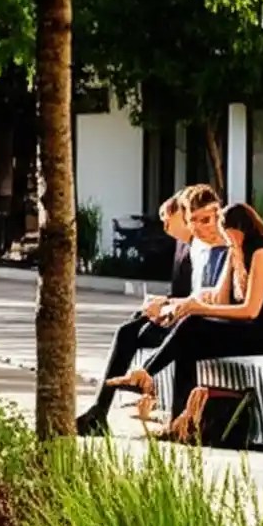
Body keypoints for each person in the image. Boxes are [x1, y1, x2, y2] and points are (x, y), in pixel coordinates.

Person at [104, 202, 263, 420]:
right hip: (246, 327)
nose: (230, 241)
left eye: (232, 236)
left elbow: (251, 311)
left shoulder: (261, 252)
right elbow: (221, 299)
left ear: (243, 229)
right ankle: (179, 422)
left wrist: (200, 309)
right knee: (188, 341)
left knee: (192, 325)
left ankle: (145, 373)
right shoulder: (235, 252)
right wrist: (184, 305)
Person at [76, 185, 229, 435]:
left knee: (174, 334)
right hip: (188, 313)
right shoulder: (189, 247)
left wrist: (170, 305)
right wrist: (162, 304)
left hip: (200, 318)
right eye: (194, 219)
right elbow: (188, 292)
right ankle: (100, 409)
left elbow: (211, 296)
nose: (166, 228)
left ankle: (146, 387)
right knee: (129, 329)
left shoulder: (217, 246)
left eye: (202, 219)